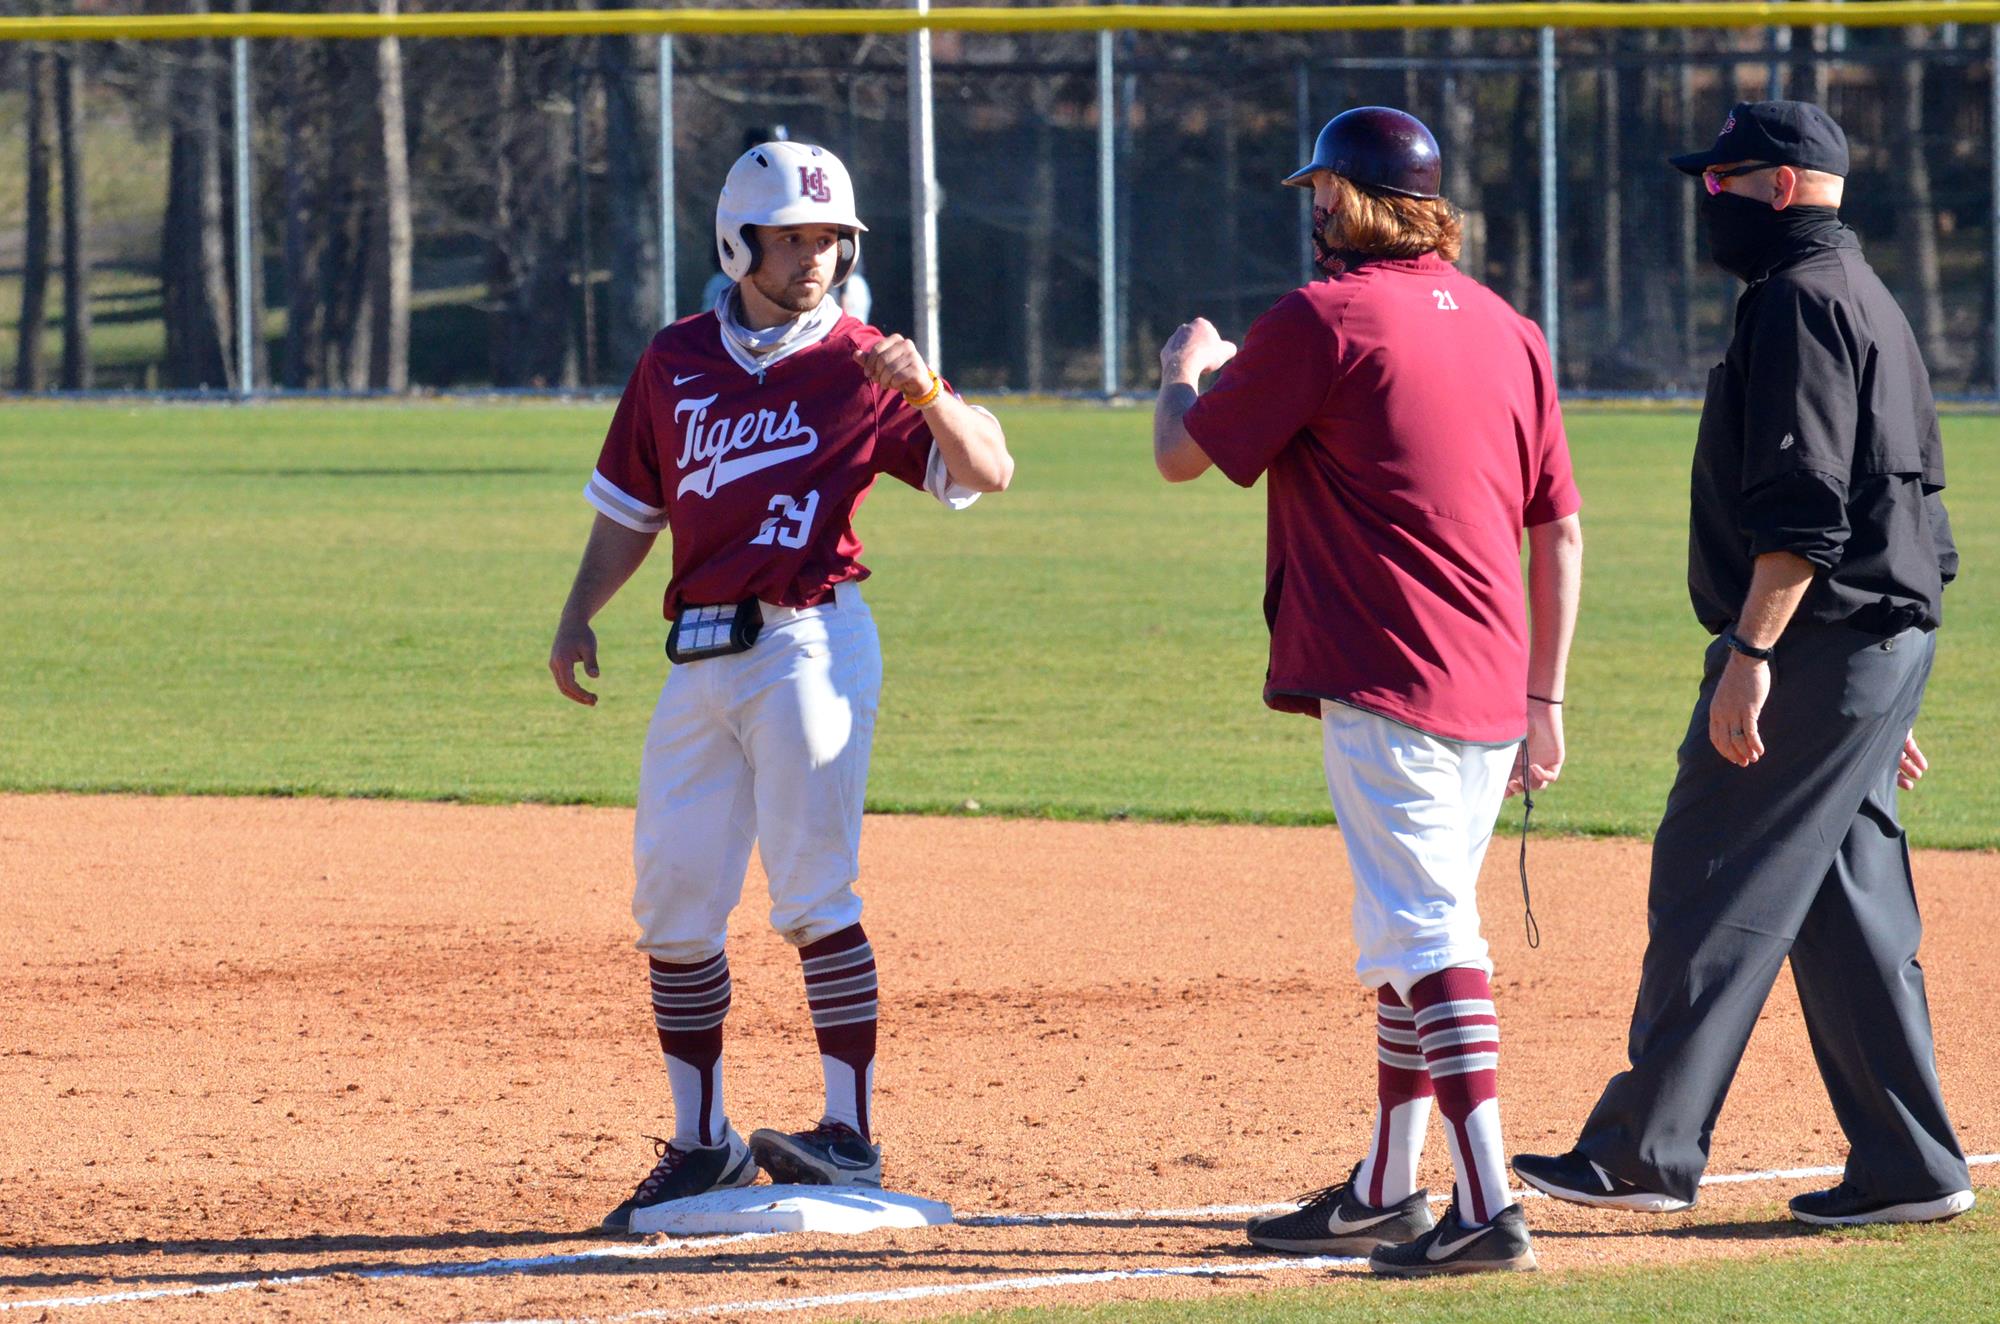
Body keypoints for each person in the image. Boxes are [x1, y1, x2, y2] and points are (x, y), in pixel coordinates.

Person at [1513, 101, 1972, 1229]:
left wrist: (1754, 653)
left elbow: (1804, 512)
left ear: (1779, 187)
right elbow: (1910, 510)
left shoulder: (1798, 303)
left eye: (1720, 184)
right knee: (1846, 907)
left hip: (1813, 638)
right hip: (1869, 642)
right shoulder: (1866, 297)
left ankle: (1640, 1147)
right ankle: (1910, 1165)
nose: (1704, 203)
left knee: (1713, 866)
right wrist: (1875, 700)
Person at [549, 140, 1013, 1232]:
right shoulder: (674, 360)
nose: (813, 257)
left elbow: (986, 470)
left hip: (811, 640)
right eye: (791, 237)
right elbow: (630, 507)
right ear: (737, 242)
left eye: (829, 239)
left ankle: (846, 1133)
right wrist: (577, 612)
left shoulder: (866, 358)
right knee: (671, 904)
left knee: (812, 896)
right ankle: (703, 1141)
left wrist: (929, 390)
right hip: (696, 658)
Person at [1151, 106, 1583, 1277]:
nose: (1309, 212)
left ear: (1347, 200)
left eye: (1317, 193)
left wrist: (1182, 373)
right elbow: (1561, 531)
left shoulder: (1319, 317)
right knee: (1405, 922)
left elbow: (1179, 453)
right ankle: (1387, 1189)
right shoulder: (1508, 327)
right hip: (1494, 687)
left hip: (1384, 674)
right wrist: (1546, 699)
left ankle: (1487, 1202)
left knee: (1429, 928)